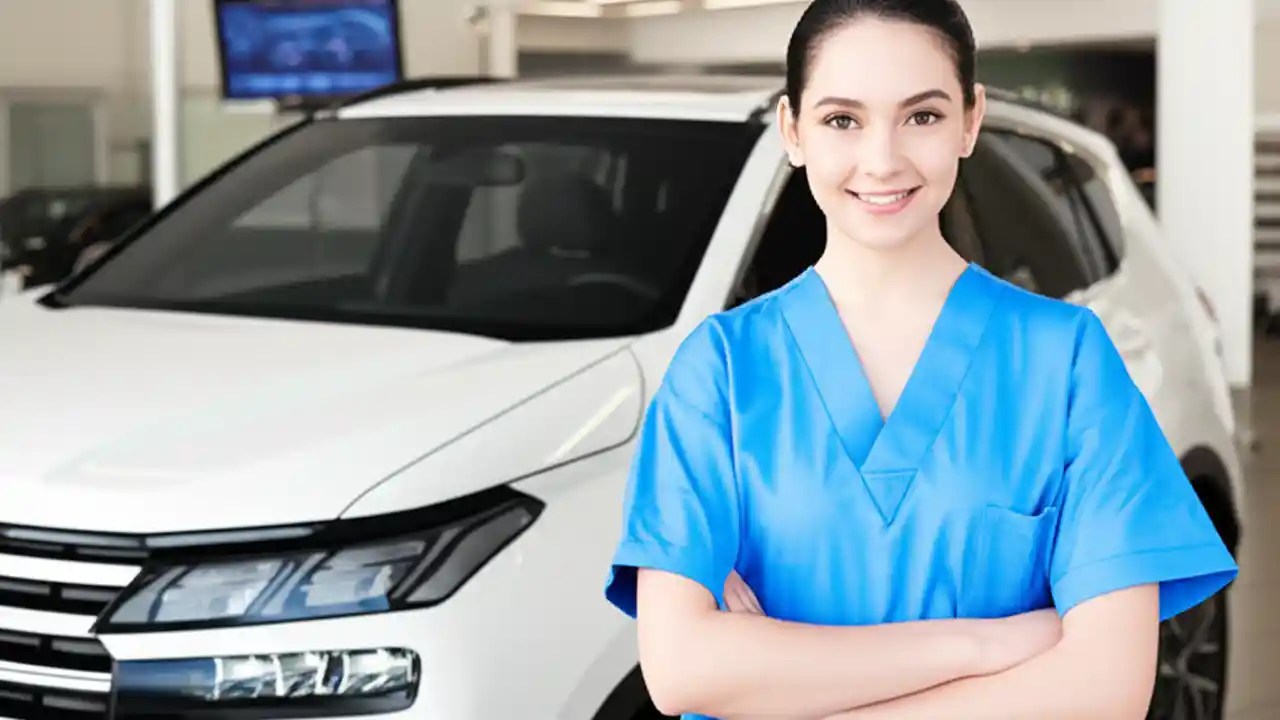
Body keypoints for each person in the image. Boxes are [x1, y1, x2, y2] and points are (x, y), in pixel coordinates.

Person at [601, 0, 1239, 718]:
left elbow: (1105, 688)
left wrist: (775, 677)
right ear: (793, 129)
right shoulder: (719, 369)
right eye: (843, 120)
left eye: (923, 116)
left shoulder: (1066, 359)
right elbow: (682, 669)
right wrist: (979, 645)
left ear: (970, 120)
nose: (883, 160)